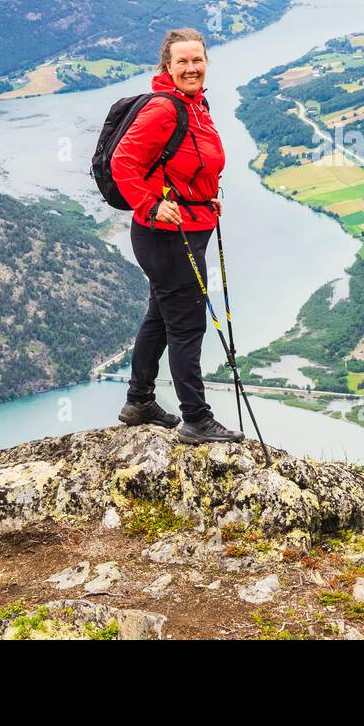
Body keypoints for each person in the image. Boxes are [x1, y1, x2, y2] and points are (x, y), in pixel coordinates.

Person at [110, 27, 244, 443]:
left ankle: (139, 401)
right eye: (182, 61)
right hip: (166, 235)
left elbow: (187, 166)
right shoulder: (165, 109)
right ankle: (197, 419)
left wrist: (204, 199)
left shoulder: (196, 104)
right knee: (187, 325)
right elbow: (123, 161)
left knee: (160, 314)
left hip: (188, 227)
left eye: (197, 60)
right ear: (166, 66)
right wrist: (149, 205)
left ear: (206, 63)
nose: (191, 68)